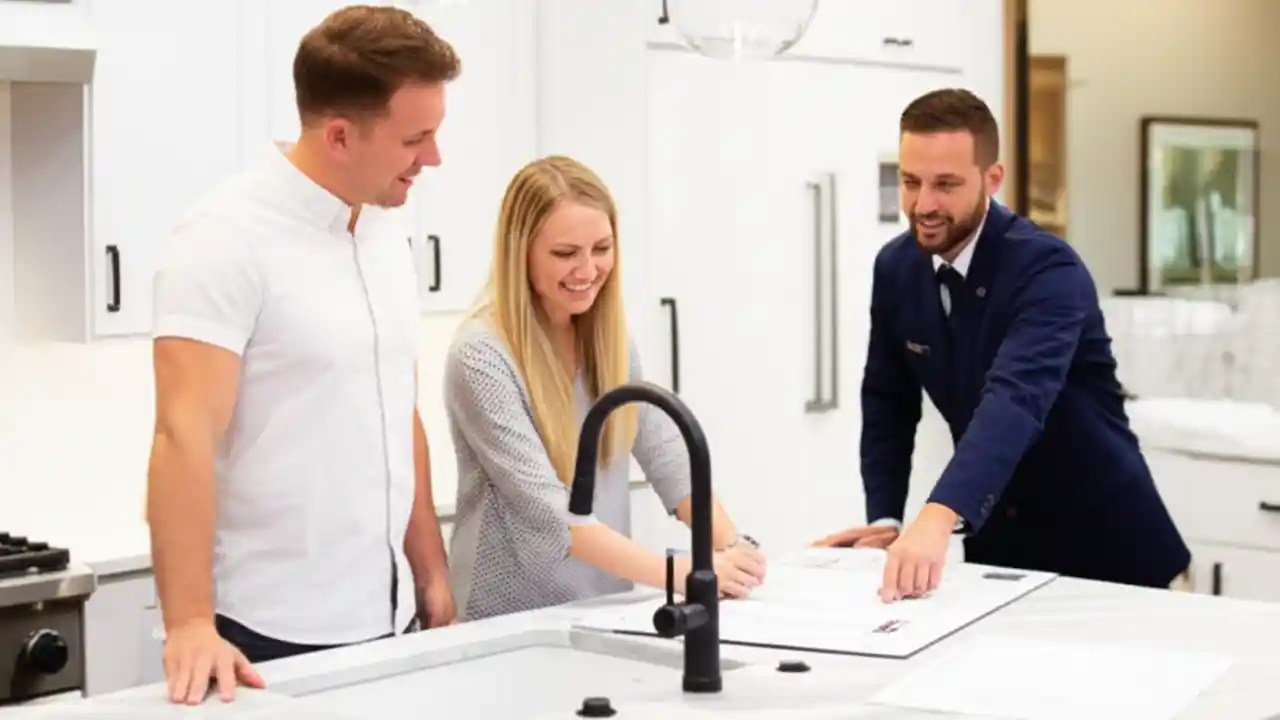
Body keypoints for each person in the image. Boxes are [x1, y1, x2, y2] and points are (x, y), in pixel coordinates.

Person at [146, 6, 460, 705]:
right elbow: (182, 435)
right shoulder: (224, 239)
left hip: (391, 619)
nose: (433, 158)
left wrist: (430, 568)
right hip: (269, 636)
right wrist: (190, 623)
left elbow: (396, 409)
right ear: (340, 135)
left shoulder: (384, 232)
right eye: (416, 138)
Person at [814, 88, 1190, 600]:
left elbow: (1015, 399)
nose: (923, 205)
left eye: (946, 184)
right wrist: (886, 519)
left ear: (993, 179)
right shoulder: (896, 267)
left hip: (1109, 551)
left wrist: (938, 515)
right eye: (910, 182)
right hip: (1000, 555)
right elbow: (888, 402)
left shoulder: (1047, 269)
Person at [443, 155, 766, 621]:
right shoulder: (481, 356)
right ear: (520, 252)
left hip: (603, 605)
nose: (587, 269)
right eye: (565, 253)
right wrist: (685, 573)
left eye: (601, 248)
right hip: (510, 615)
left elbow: (667, 458)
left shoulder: (608, 339)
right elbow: (553, 515)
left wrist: (733, 546)